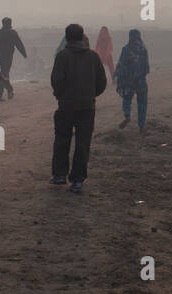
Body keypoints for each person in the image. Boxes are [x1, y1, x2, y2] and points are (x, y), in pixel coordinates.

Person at [49, 23, 108, 193]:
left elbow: (56, 81)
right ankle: (77, 180)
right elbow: (102, 82)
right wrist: (91, 95)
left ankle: (60, 175)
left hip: (66, 105)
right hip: (87, 107)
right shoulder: (93, 57)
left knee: (62, 139)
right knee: (82, 143)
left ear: (67, 37)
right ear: (82, 37)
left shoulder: (62, 56)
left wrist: (60, 96)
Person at [114, 28, 150, 135]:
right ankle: (141, 126)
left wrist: (117, 76)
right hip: (141, 82)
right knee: (142, 104)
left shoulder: (126, 49)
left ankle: (127, 115)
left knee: (127, 99)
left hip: (129, 82)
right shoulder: (144, 49)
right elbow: (147, 68)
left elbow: (121, 64)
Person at [0, 17, 26, 101]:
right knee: (4, 74)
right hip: (7, 57)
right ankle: (1, 93)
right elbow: (19, 44)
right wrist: (23, 53)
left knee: (3, 74)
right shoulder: (12, 33)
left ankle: (3, 93)